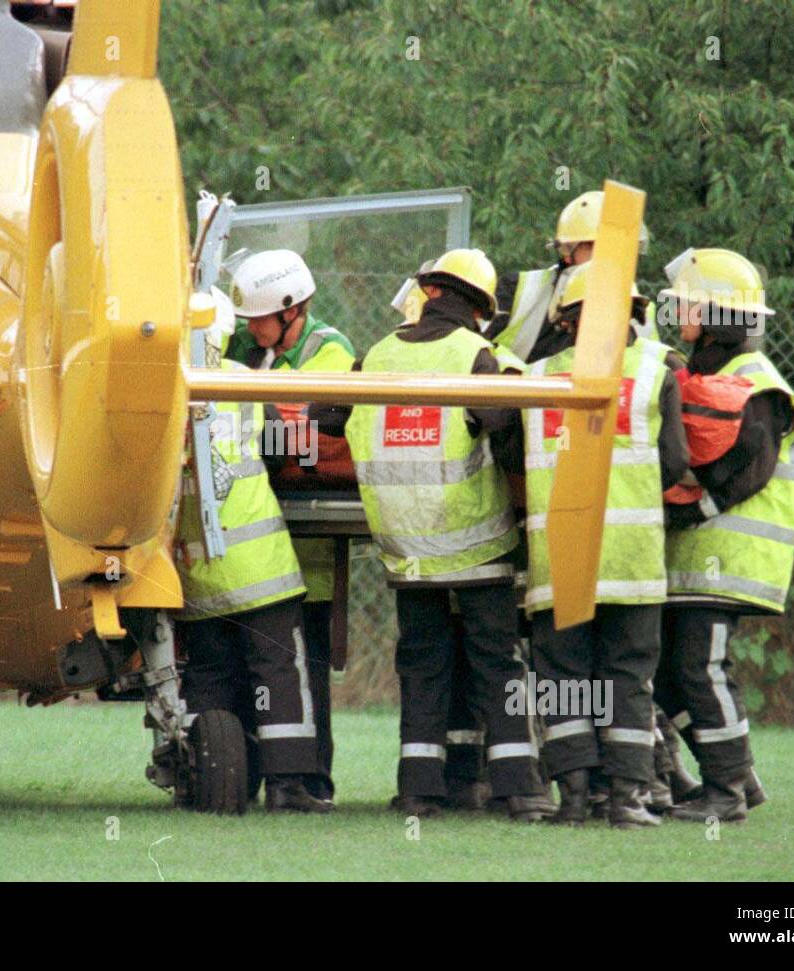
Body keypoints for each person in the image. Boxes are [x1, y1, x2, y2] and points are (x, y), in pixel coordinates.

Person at [337, 249, 547, 820]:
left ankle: (419, 791)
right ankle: (520, 791)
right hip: (478, 544)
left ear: (428, 292)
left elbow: (329, 417)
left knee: (423, 664)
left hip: (406, 550)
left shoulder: (374, 357)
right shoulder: (477, 356)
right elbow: (512, 434)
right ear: (480, 310)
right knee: (497, 663)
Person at [504, 261, 689, 829]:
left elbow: (511, 460)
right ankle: (628, 799)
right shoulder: (659, 369)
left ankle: (576, 796)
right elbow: (676, 463)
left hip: (560, 561)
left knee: (564, 680)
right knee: (627, 677)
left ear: (565, 321)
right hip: (631, 565)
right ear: (634, 313)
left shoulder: (537, 379)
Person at [653, 248, 794, 822]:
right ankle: (737, 778)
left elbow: (751, 467)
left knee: (700, 669)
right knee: (670, 674)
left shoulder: (754, 381)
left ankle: (726, 794)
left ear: (718, 314)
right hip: (696, 562)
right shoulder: (707, 375)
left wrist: (693, 511)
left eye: (689, 304)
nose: (679, 313)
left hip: (730, 559)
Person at [173, 347, 330, 814]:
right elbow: (288, 452)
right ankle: (287, 786)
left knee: (209, 676)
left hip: (197, 571)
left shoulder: (155, 383)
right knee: (278, 672)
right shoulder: (244, 383)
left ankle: (201, 783)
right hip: (260, 568)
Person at [226, 249, 356, 803]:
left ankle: (310, 784)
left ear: (292, 309)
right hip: (251, 539)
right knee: (248, 668)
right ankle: (251, 776)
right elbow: (288, 429)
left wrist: (273, 428)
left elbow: (315, 435)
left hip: (309, 548)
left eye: (260, 318)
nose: (251, 330)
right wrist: (281, 426)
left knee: (307, 674)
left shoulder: (330, 349)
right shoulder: (245, 348)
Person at [489, 190, 654, 363]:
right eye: (600, 248)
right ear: (567, 250)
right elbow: (478, 354)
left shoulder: (641, 309)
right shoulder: (519, 291)